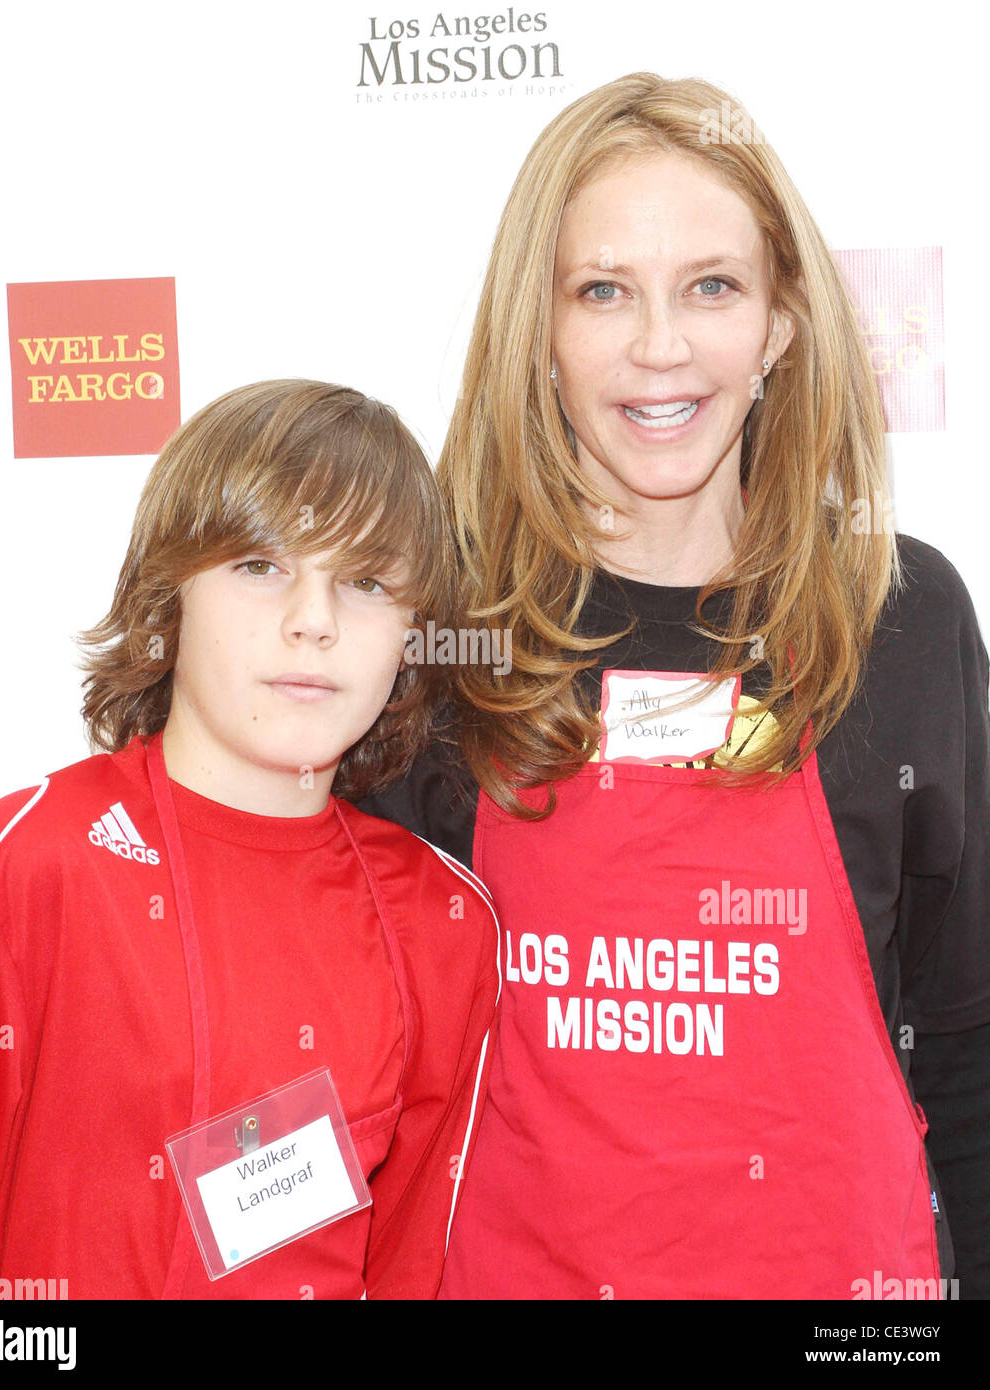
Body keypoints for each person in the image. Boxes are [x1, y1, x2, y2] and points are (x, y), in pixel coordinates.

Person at [358, 74, 990, 1299]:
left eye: (713, 285)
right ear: (537, 336)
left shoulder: (902, 619)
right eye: (603, 291)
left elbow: (964, 1054)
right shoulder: (438, 643)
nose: (662, 345)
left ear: (783, 325)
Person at [0, 379, 500, 1300]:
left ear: (412, 636)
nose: (313, 620)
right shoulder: (33, 861)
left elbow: (406, 1266)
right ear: (169, 596)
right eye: (260, 564)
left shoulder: (444, 918)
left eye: (364, 582)